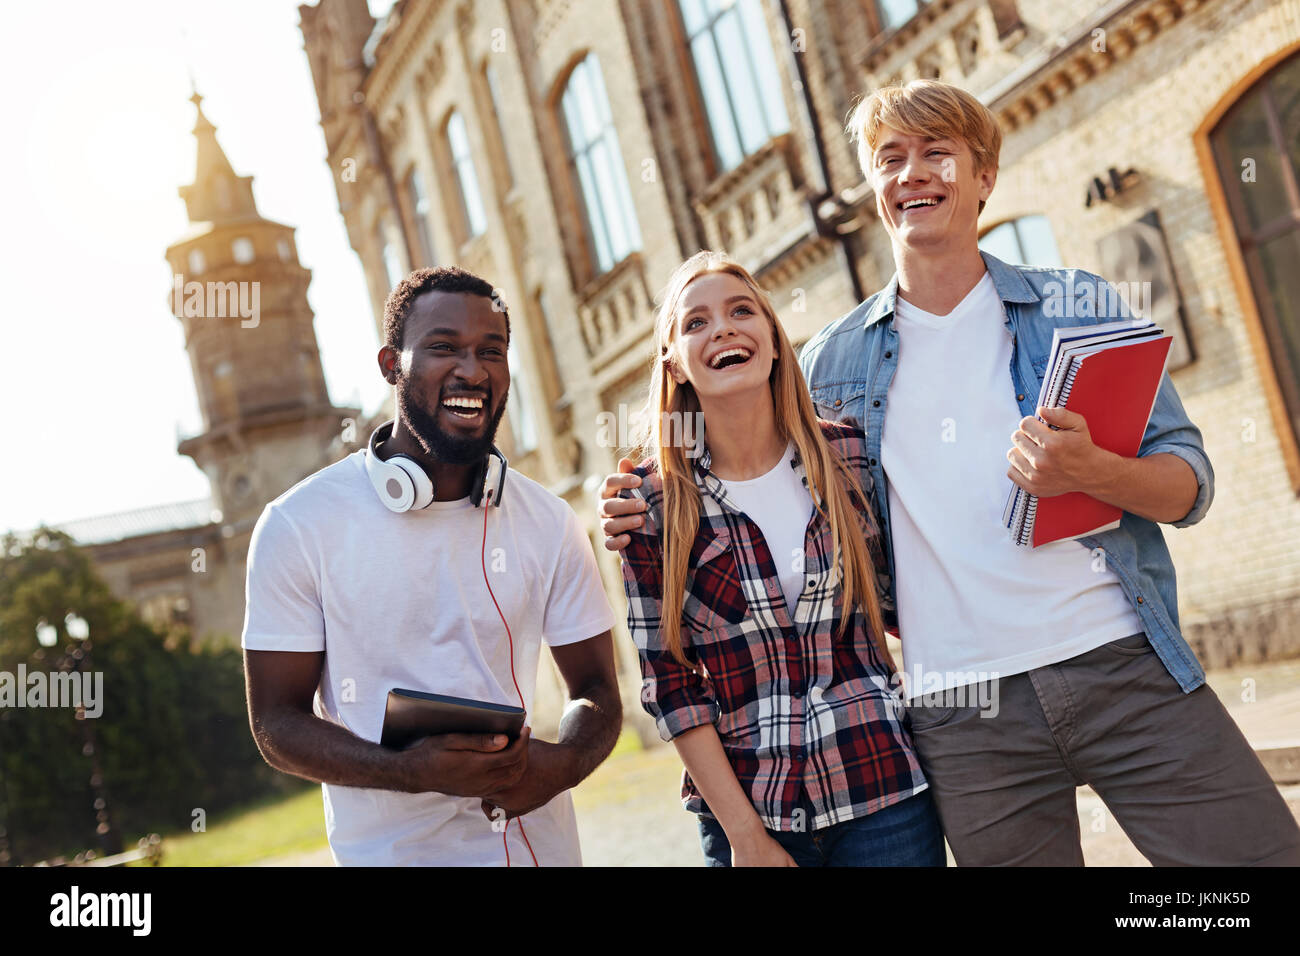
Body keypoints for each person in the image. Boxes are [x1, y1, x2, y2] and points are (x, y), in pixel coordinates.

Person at [601, 80, 1300, 866]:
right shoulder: (832, 364)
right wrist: (641, 498)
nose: (912, 173)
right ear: (874, 188)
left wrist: (1094, 470)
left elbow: (1188, 486)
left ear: (984, 175)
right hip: (964, 716)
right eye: (890, 158)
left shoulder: (1076, 305)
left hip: (1122, 663)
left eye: (937, 153)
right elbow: (741, 454)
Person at [243, 266, 621, 866]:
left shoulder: (548, 520)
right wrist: (408, 771)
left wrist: (565, 762)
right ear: (391, 365)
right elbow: (276, 722)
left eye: (491, 351)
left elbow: (597, 690)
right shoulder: (297, 526)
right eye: (444, 347)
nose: (472, 370)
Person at [616, 250, 944, 867]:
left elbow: (913, 591)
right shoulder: (651, 506)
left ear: (771, 339)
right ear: (675, 363)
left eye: (742, 311)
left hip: (882, 795)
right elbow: (671, 686)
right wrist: (746, 837)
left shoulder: (850, 457)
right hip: (750, 812)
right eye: (696, 322)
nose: (723, 329)